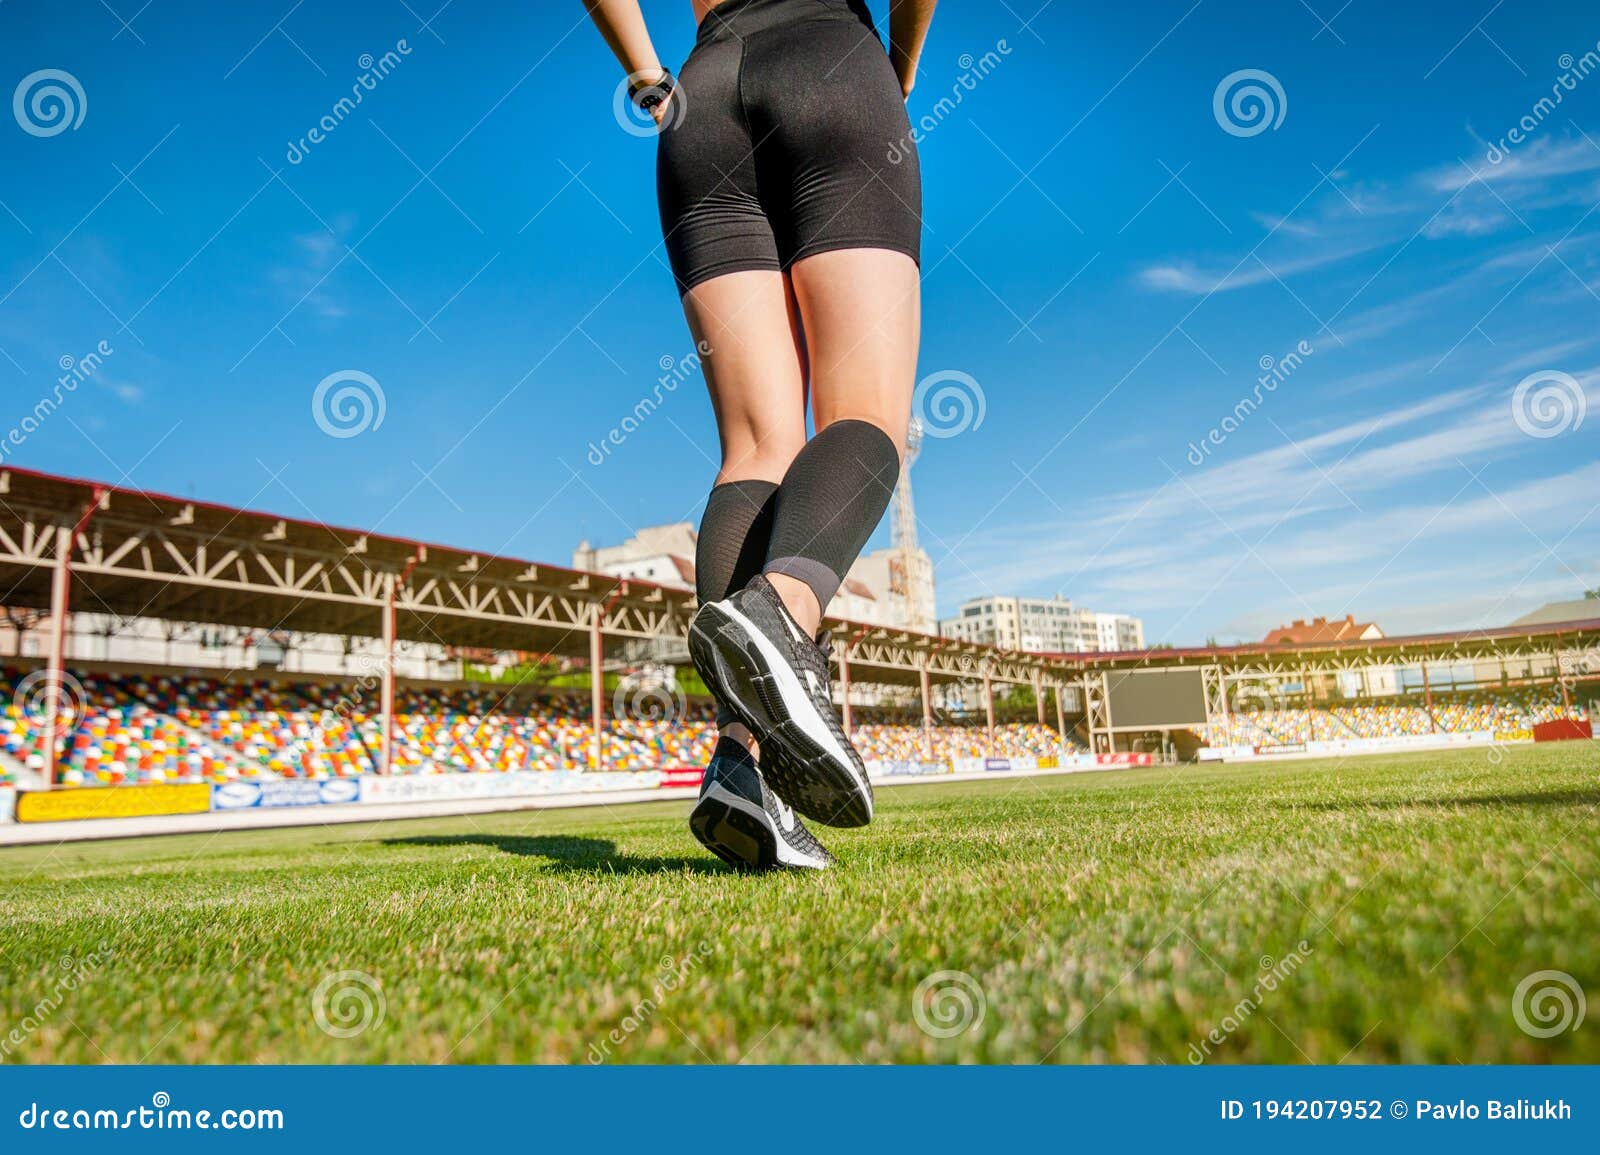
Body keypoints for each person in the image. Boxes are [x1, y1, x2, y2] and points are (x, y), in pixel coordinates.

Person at [584, 0, 937, 870]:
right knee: (865, 415)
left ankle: (744, 764)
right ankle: (782, 614)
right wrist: (899, 59)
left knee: (753, 447)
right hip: (832, 60)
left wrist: (649, 78)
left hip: (700, 97)